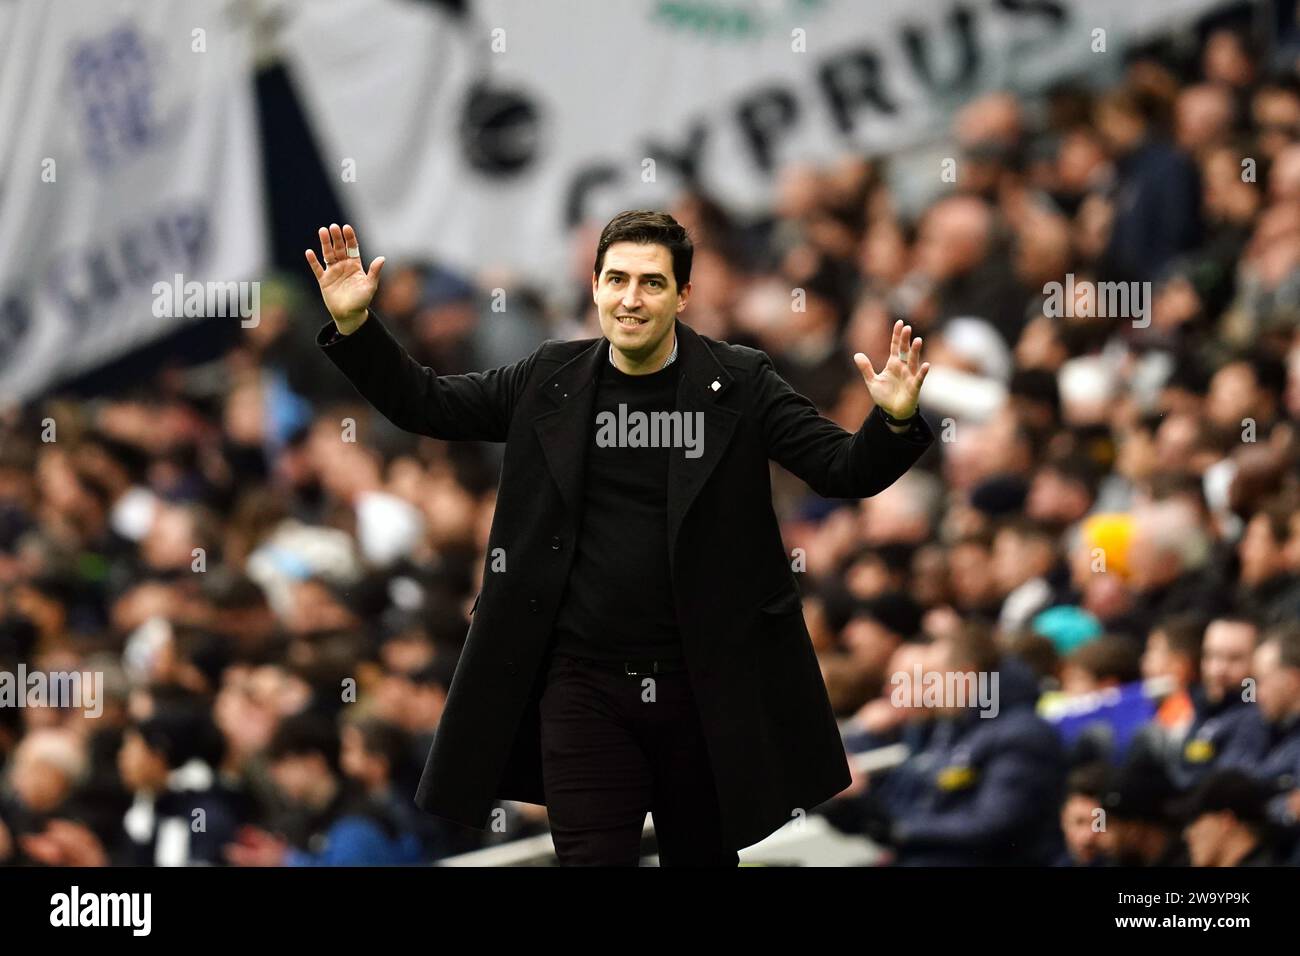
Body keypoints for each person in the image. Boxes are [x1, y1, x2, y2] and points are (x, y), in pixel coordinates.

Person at [307, 212, 934, 865]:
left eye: (651, 283)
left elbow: (841, 469)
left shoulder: (740, 380)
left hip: (704, 685)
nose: (631, 298)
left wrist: (892, 423)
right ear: (596, 287)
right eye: (616, 280)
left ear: (682, 295)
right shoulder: (548, 378)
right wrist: (356, 327)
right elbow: (427, 405)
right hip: (582, 688)